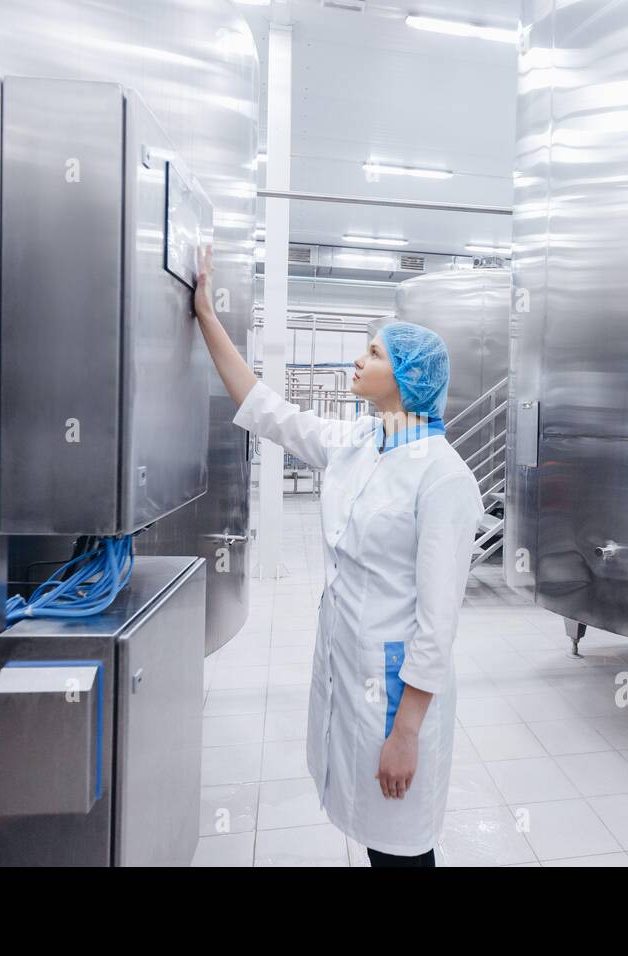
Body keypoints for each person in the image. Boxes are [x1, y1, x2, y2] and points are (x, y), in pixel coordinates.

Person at [193, 245, 484, 867]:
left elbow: (437, 626)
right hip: (348, 671)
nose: (358, 360)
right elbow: (268, 411)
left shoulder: (443, 477)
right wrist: (206, 317)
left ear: (407, 378)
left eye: (374, 353)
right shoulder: (359, 441)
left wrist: (405, 733)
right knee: (369, 830)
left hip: (397, 694)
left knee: (401, 848)